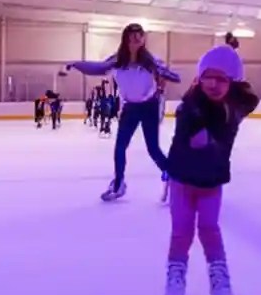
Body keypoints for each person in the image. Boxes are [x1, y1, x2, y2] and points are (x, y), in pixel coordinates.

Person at [163, 45, 259, 295]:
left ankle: (220, 280)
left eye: (222, 79)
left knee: (209, 229)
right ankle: (175, 275)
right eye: (208, 77)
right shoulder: (190, 106)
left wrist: (237, 86)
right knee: (182, 232)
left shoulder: (234, 107)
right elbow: (192, 130)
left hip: (211, 183)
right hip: (182, 180)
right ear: (199, 77)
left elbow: (249, 101)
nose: (213, 84)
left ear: (233, 82)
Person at [66, 23, 181, 201]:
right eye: (132, 36)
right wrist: (76, 64)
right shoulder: (117, 61)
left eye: (140, 36)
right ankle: (119, 183)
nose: (136, 39)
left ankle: (175, 177)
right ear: (126, 39)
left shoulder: (151, 61)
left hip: (149, 106)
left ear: (143, 39)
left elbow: (175, 77)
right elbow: (97, 68)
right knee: (120, 147)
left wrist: (160, 71)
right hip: (130, 108)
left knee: (153, 149)